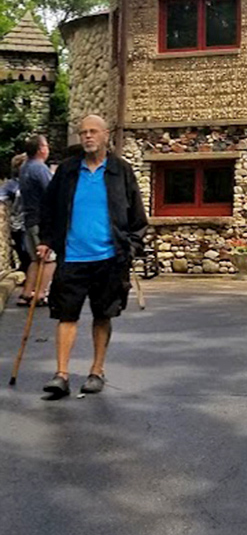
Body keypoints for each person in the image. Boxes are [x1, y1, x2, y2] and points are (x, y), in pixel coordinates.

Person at [38, 114, 148, 399]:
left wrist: (131, 248)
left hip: (109, 258)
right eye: (83, 132)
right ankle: (61, 375)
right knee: (66, 315)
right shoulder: (68, 170)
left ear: (105, 135)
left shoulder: (121, 171)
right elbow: (48, 207)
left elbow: (137, 217)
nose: (87, 136)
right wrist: (46, 240)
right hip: (72, 256)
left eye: (93, 132)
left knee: (103, 315)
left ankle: (96, 371)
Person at [18, 134, 55, 305]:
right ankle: (40, 293)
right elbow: (52, 191)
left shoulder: (25, 167)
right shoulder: (40, 168)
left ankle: (27, 292)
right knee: (48, 259)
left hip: (29, 218)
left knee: (35, 259)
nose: (48, 149)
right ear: (41, 149)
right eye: (46, 145)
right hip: (41, 220)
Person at [0, 153, 30, 274]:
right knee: (24, 252)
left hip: (30, 222)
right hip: (18, 224)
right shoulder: (11, 184)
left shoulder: (32, 181)